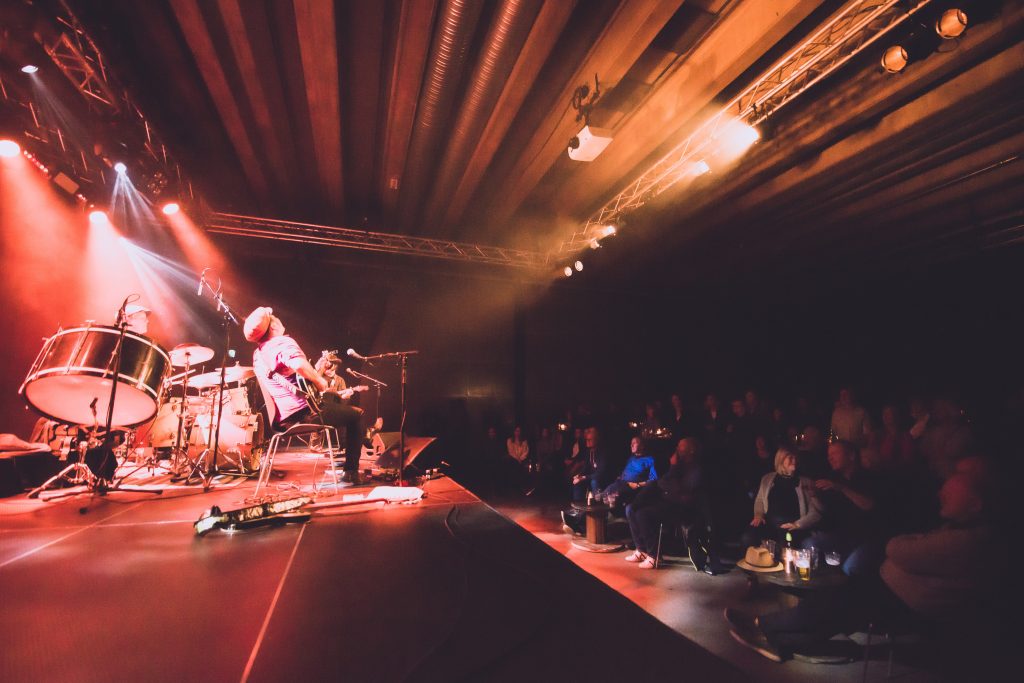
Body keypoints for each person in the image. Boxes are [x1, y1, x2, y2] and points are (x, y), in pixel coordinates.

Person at [729, 472, 1006, 672]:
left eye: (953, 489)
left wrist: (909, 546)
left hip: (905, 602)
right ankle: (781, 641)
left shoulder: (971, 539)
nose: (941, 492)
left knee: (836, 603)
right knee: (839, 609)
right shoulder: (962, 530)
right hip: (897, 591)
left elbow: (896, 548)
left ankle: (763, 626)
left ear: (975, 504)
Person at [243, 307, 365, 484]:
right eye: (274, 317)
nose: (278, 319)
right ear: (273, 327)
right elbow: (299, 364)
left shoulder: (258, 354)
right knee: (358, 416)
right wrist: (320, 381)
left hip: (284, 419)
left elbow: (294, 380)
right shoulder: (281, 343)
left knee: (333, 398)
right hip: (306, 414)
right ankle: (351, 473)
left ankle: (364, 435)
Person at [623, 437, 706, 570]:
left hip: (683, 508)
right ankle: (642, 549)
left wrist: (672, 472)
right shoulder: (679, 466)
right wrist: (672, 474)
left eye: (681, 447)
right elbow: (662, 483)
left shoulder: (696, 469)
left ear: (691, 451)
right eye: (678, 446)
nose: (677, 449)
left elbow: (683, 490)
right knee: (632, 509)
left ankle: (653, 556)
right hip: (669, 501)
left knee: (643, 514)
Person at [741, 446, 822, 549]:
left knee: (784, 548)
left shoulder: (806, 482)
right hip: (770, 525)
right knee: (747, 538)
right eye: (790, 458)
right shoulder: (767, 479)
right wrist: (758, 515)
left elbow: (815, 513)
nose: (795, 461)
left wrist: (797, 524)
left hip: (794, 528)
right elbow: (760, 500)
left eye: (796, 458)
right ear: (781, 460)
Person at [600, 436, 657, 510]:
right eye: (631, 443)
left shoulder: (649, 460)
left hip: (632, 487)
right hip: (621, 483)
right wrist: (620, 476)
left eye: (634, 443)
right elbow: (626, 472)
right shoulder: (631, 458)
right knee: (602, 496)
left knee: (613, 497)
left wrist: (638, 484)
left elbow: (654, 480)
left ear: (642, 446)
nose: (631, 445)